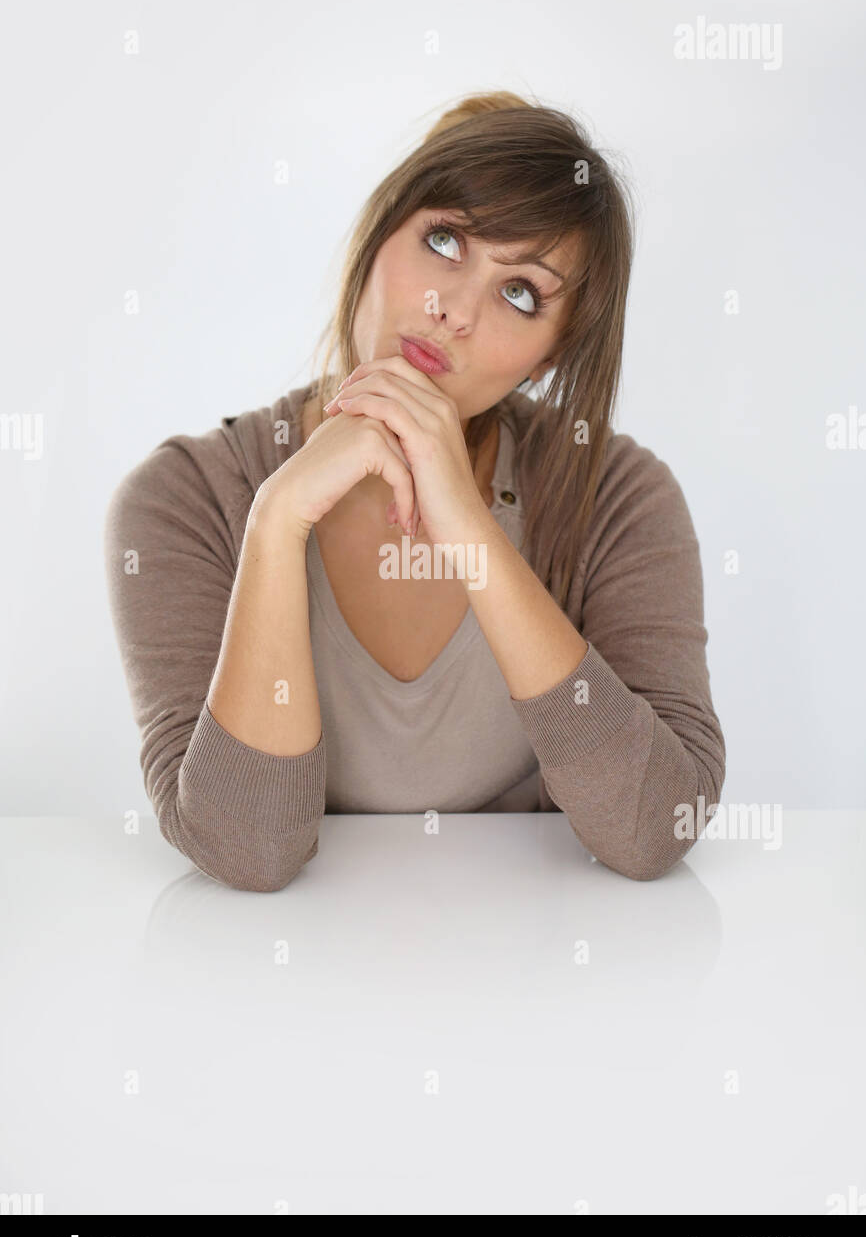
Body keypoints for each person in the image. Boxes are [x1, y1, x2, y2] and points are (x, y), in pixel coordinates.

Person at [104, 90, 726, 891]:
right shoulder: (182, 498)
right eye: (444, 240)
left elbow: (653, 829)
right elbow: (246, 850)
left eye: (520, 293)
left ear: (545, 362)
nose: (453, 310)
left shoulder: (619, 495)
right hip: (269, 993)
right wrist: (277, 522)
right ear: (376, 235)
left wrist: (471, 530)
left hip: (546, 976)